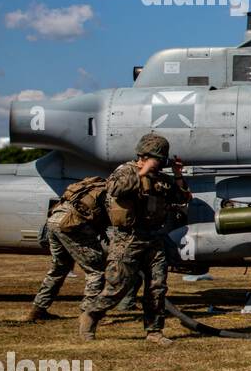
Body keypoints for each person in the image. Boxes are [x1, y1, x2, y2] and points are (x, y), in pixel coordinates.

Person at [79, 132, 192, 344]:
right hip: (128, 239)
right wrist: (141, 174)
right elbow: (114, 189)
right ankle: (91, 315)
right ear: (144, 155)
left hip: (154, 237)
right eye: (157, 159)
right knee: (117, 287)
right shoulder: (125, 171)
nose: (159, 163)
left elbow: (183, 197)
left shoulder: (160, 178)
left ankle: (154, 331)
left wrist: (177, 175)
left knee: (157, 286)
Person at [25, 176, 109, 321]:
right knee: (96, 270)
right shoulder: (114, 191)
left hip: (55, 220)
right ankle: (89, 315)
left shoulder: (92, 185)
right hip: (72, 223)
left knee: (59, 268)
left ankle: (37, 310)